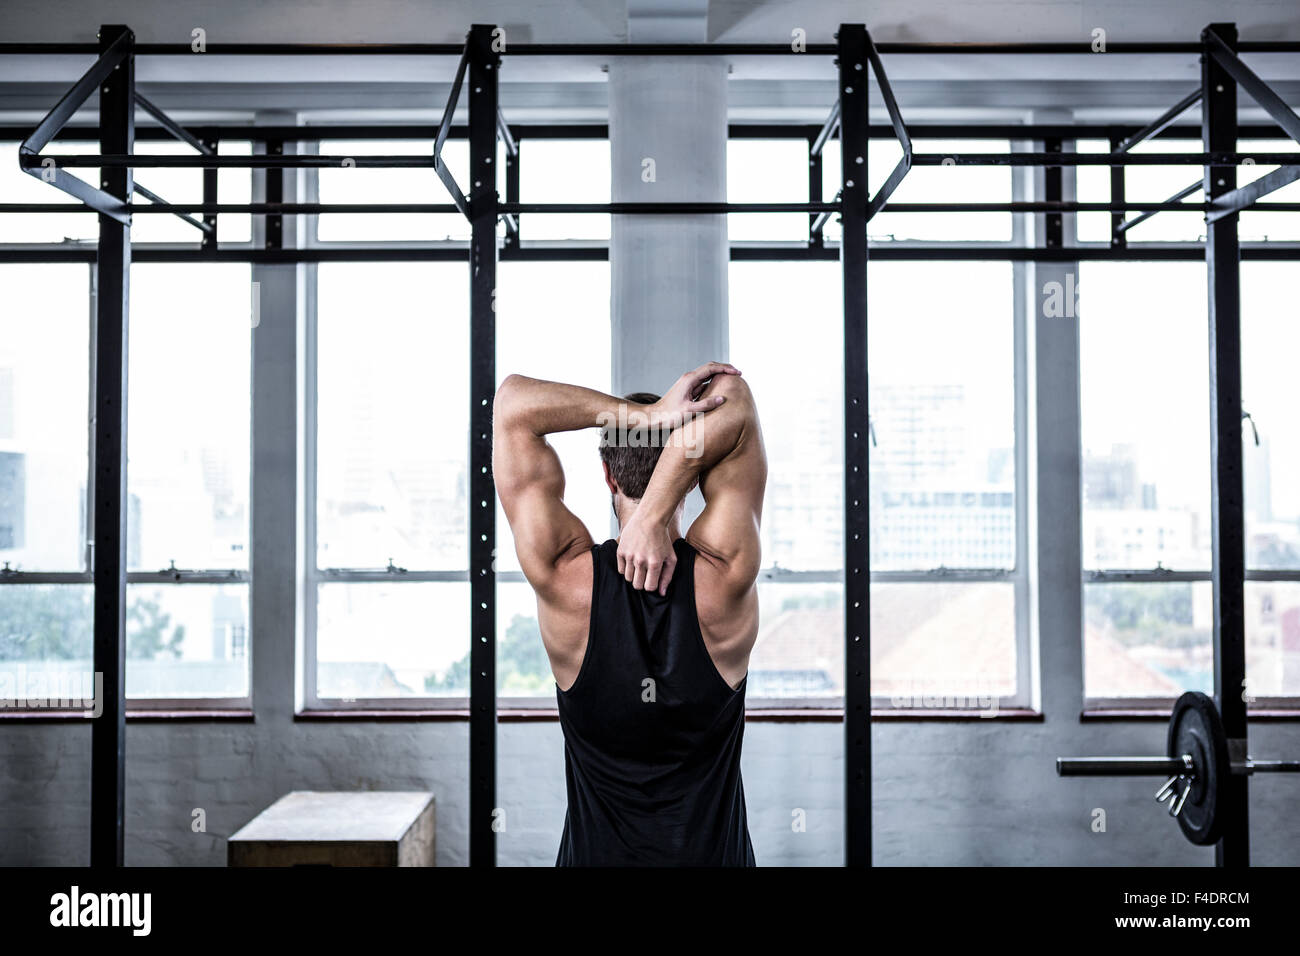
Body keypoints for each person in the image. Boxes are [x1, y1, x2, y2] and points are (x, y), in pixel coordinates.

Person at [492, 361, 767, 866]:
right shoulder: (725, 576)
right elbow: (737, 398)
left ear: (606, 474)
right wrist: (660, 504)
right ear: (696, 474)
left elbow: (512, 406)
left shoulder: (563, 577)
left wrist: (640, 418)